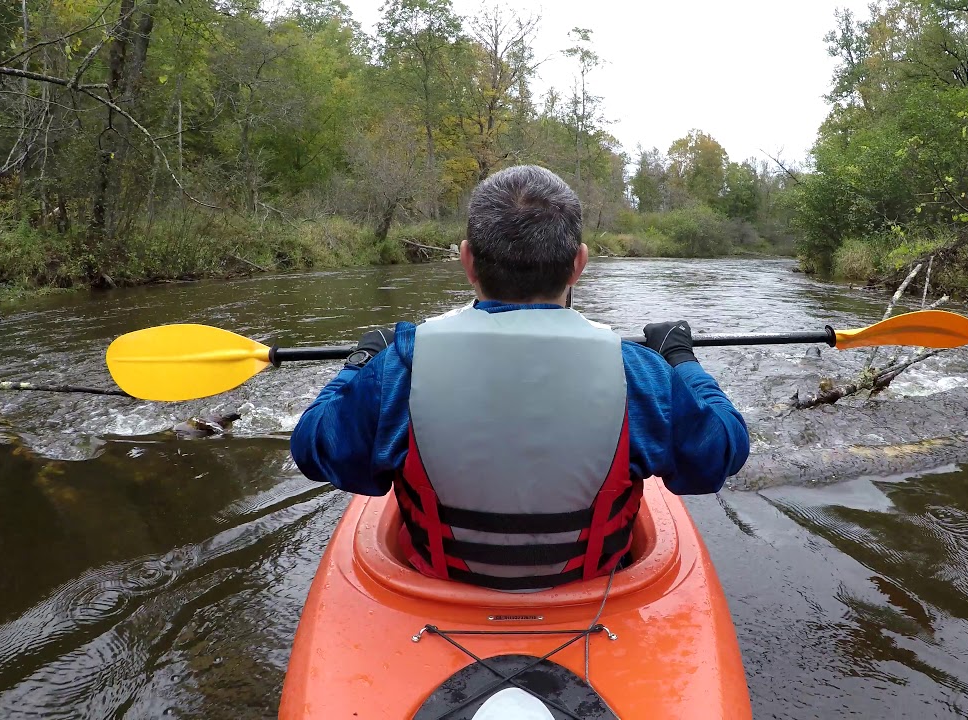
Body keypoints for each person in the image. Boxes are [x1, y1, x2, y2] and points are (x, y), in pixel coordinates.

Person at [290, 165, 749, 591]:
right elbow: (720, 454)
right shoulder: (640, 373)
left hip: (440, 590)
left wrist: (360, 362)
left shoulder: (398, 370)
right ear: (579, 264)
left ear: (468, 261)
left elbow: (314, 448)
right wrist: (681, 362)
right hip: (592, 594)